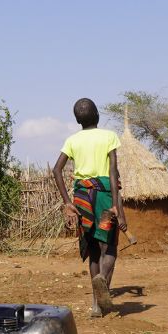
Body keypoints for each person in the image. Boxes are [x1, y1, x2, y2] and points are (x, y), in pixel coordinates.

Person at [52, 99, 128, 318]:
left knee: (93, 250)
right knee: (109, 247)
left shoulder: (72, 141)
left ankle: (96, 306)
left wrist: (68, 202)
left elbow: (57, 170)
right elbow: (113, 173)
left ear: (77, 119)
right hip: (104, 198)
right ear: (97, 114)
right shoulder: (109, 137)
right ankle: (103, 281)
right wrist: (116, 205)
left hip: (82, 200)